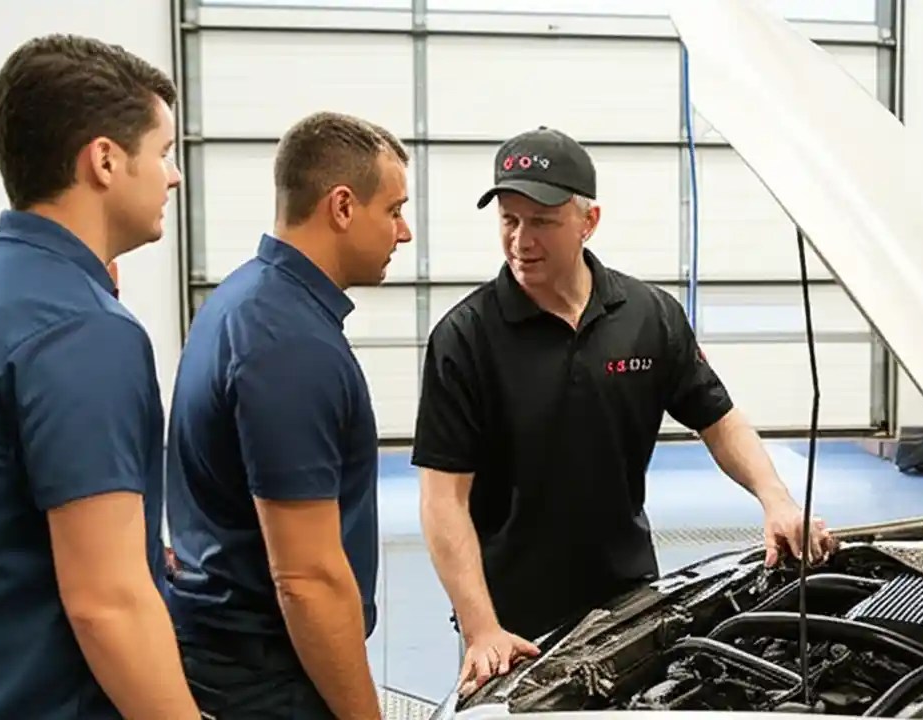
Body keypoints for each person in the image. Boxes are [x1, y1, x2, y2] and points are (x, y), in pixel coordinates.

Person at [414, 126, 840, 692]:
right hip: (512, 622)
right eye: (509, 220)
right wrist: (480, 627)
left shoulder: (648, 316)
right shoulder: (464, 338)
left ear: (588, 222)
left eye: (541, 221)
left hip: (631, 601)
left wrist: (777, 499)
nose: (521, 241)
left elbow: (719, 419)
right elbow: (443, 500)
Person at [0, 34, 198, 719]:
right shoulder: (82, 329)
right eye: (164, 153)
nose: (173, 177)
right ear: (106, 161)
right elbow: (108, 603)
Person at [164, 111, 412, 719]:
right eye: (394, 209)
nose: (403, 232)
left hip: (231, 660)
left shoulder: (247, 300)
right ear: (343, 207)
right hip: (268, 683)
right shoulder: (287, 342)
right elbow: (306, 580)